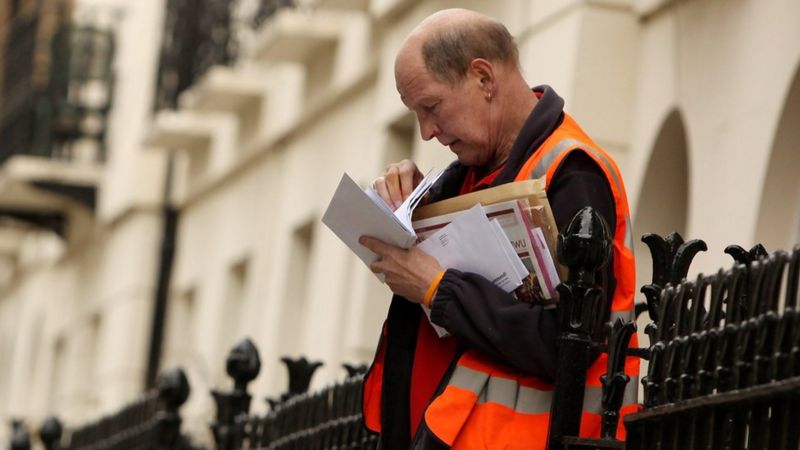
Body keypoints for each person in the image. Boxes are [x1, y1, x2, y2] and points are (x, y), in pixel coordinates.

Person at [358, 8, 638, 450]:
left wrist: (436, 287)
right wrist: (409, 202)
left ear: (484, 79)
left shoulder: (572, 172)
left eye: (431, 107)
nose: (427, 132)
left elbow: (567, 343)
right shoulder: (468, 172)